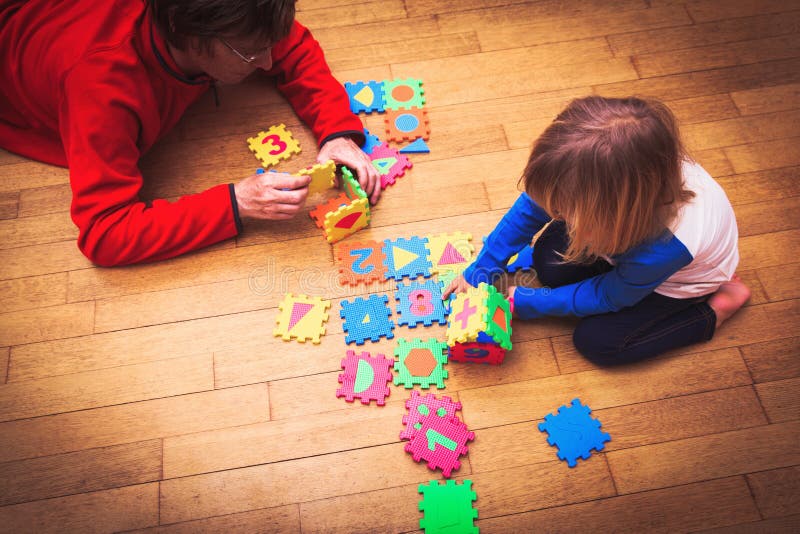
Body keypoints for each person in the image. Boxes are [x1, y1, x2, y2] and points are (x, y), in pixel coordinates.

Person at [0, 0, 380, 266]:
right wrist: (236, 202)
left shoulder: (231, 19)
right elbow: (104, 231)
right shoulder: (101, 90)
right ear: (192, 36)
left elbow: (292, 45)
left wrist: (336, 132)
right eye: (252, 53)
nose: (268, 60)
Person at [444, 96, 751, 365]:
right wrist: (482, 269)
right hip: (624, 245)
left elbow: (610, 296)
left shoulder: (666, 247)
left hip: (670, 284)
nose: (554, 214)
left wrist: (526, 302)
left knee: (598, 342)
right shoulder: (619, 179)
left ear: (609, 213)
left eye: (562, 210)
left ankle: (712, 313)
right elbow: (531, 207)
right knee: (548, 263)